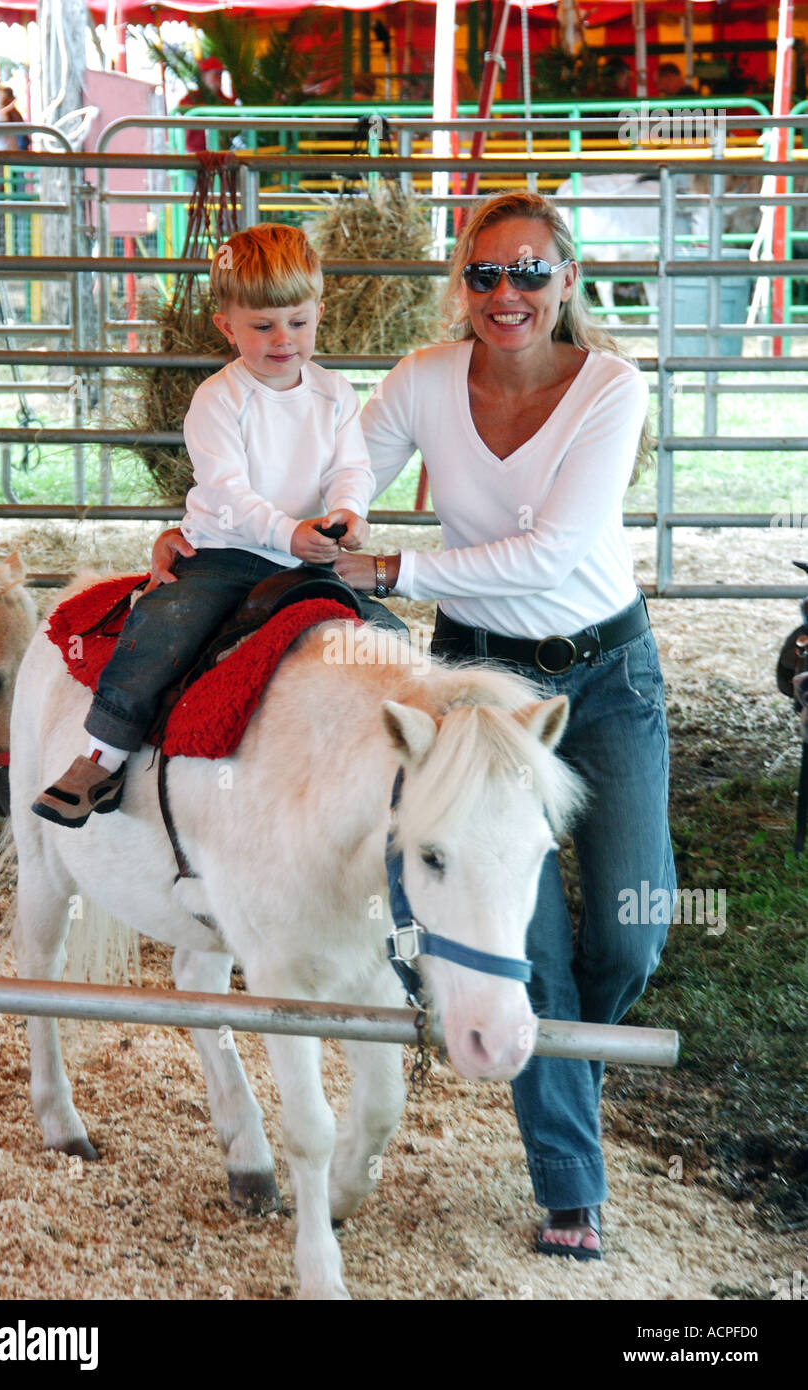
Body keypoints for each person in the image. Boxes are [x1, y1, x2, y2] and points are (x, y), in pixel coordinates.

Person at [334, 191, 677, 1261]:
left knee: (632, 927)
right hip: (480, 684)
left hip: (607, 672)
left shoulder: (612, 389)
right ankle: (571, 1181)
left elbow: (559, 549)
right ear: (462, 287)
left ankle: (553, 1046)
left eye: (530, 272)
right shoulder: (426, 379)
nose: (507, 294)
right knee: (515, 934)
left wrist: (395, 566)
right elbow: (348, 465)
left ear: (567, 281)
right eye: (485, 275)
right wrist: (309, 516)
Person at [32, 224, 379, 828]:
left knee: (379, 634)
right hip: (227, 552)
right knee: (163, 628)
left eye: (297, 322)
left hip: (306, 555)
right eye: (262, 325)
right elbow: (228, 492)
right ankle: (102, 755)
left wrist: (348, 513)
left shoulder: (335, 392)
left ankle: (375, 770)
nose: (282, 339)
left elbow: (351, 466)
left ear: (319, 313)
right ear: (227, 326)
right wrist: (285, 532)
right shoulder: (219, 399)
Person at [177, 56, 239, 155]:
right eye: (215, 74)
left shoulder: (225, 102)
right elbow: (181, 111)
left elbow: (235, 127)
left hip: (220, 153)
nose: (219, 77)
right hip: (195, 152)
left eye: (220, 74)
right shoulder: (191, 99)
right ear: (203, 76)